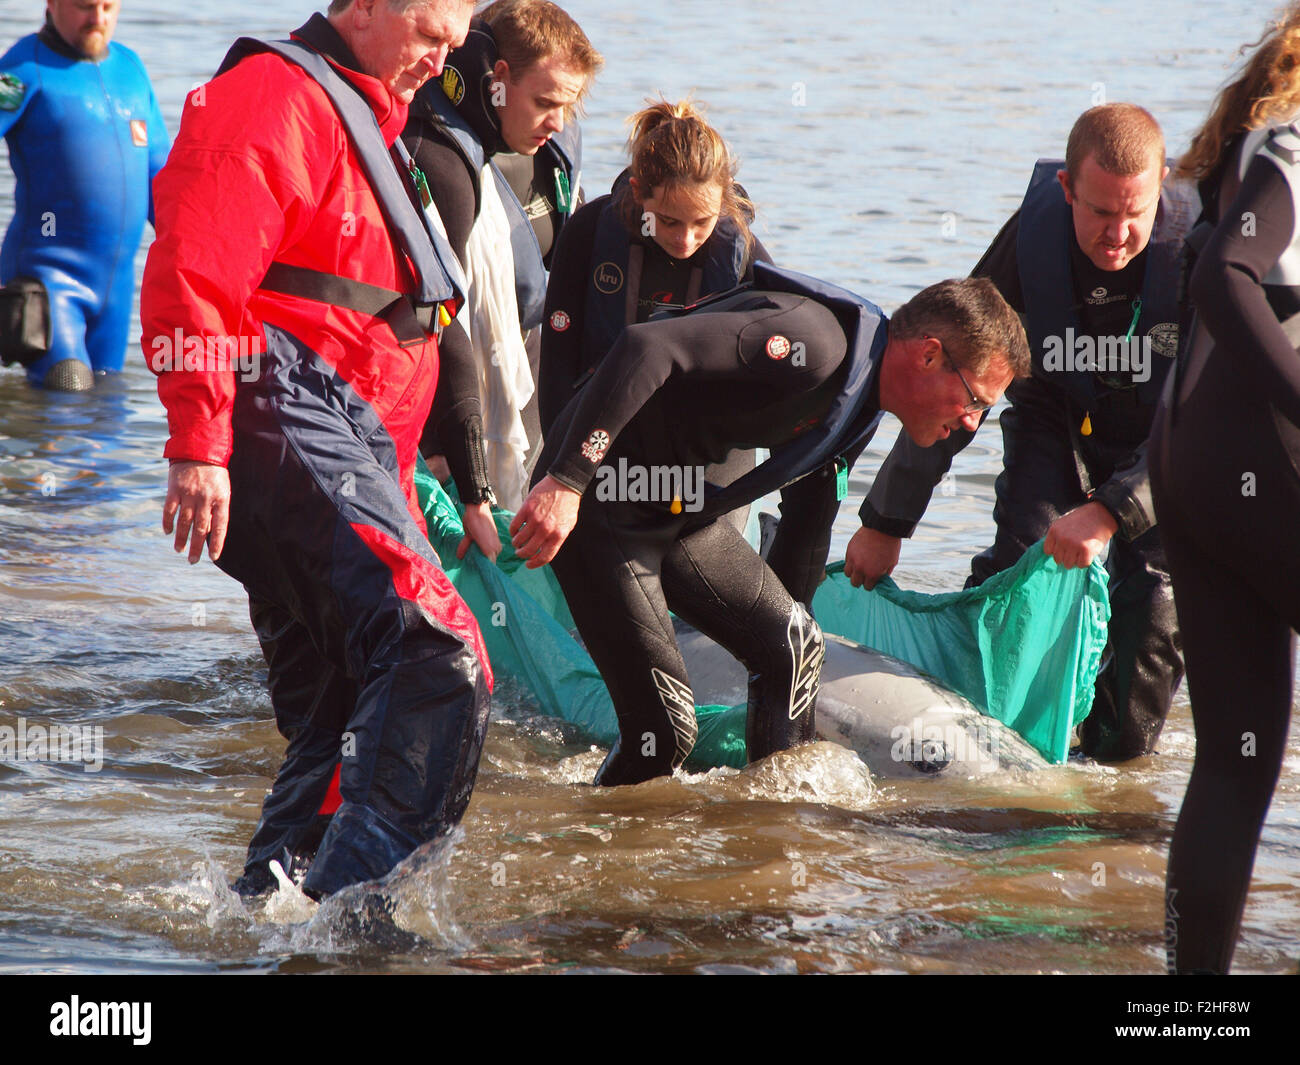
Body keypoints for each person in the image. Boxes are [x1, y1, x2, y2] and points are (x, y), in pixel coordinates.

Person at [141, 0, 493, 901]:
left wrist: (401, 502)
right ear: (365, 7)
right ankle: (352, 932)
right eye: (429, 32)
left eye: (455, 42)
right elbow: (193, 269)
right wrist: (199, 443)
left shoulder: (372, 115)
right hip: (274, 406)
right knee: (435, 655)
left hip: (347, 445)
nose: (443, 57)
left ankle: (269, 914)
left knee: (344, 709)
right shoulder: (276, 95)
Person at [511, 266, 1029, 786]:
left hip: (675, 514)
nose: (971, 422)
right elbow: (647, 347)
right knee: (664, 732)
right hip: (597, 506)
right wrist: (567, 481)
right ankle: (596, 848)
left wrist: (773, 620)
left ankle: (772, 826)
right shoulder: (814, 343)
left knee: (794, 646)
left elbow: (806, 526)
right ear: (930, 354)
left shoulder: (860, 405)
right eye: (976, 400)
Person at [845, 103, 1197, 762]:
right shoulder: (1031, 236)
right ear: (1066, 189)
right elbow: (959, 375)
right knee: (1022, 565)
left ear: (1164, 186)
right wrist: (888, 518)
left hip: (1168, 442)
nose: (1118, 234)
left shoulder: (1201, 253)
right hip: (1055, 416)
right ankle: (984, 754)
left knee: (1149, 611)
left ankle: (1113, 789)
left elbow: (1208, 423)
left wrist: (1110, 511)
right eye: (1098, 212)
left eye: (1135, 213)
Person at [1150, 1, 1300, 974]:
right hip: (1259, 457)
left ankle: (1189, 1007)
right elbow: (1227, 280)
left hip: (1193, 466)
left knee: (1234, 760)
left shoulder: (1254, 144)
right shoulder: (1291, 145)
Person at [404, 0, 601, 513]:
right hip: (453, 389)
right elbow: (436, 320)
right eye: (544, 101)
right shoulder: (441, 158)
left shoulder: (552, 150)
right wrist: (443, 450)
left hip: (534, 363)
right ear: (499, 78)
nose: (557, 122)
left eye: (568, 105)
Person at [0, 1, 169, 390]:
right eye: (84, 7)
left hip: (116, 286)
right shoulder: (21, 70)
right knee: (69, 386)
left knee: (109, 398)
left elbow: (162, 175)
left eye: (108, 6)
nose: (98, 19)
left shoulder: (130, 69)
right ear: (53, 3)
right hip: (47, 278)